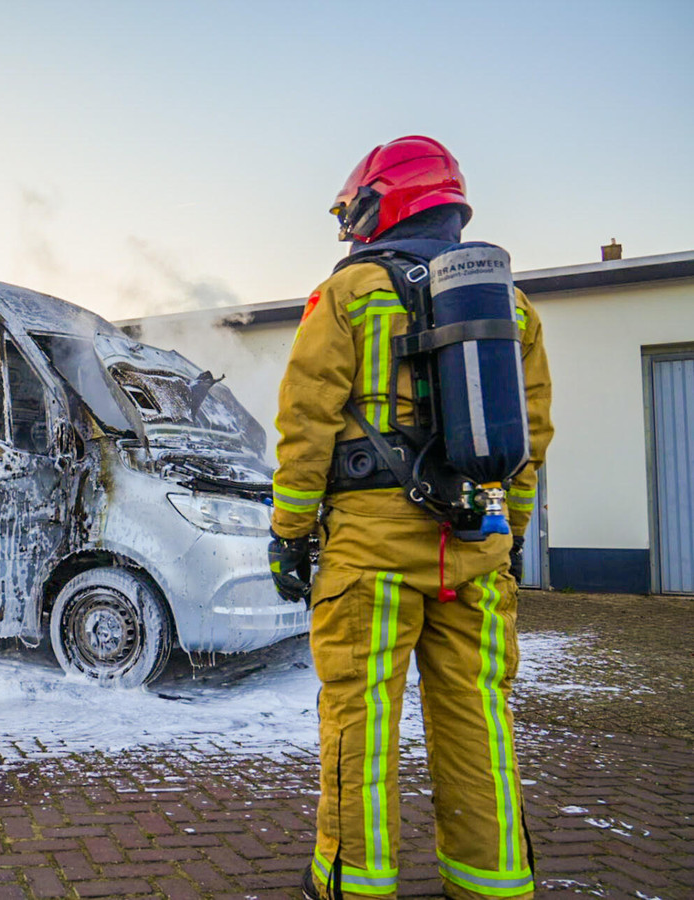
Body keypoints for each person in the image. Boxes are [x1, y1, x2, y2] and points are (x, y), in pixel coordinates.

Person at [270, 136, 553, 900]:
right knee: (478, 723)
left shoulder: (351, 293)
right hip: (475, 551)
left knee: (359, 721)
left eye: (357, 210)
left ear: (383, 203)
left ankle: (351, 882)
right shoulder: (511, 308)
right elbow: (529, 437)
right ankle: (494, 883)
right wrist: (511, 533)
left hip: (370, 555)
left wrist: (291, 534)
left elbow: (306, 423)